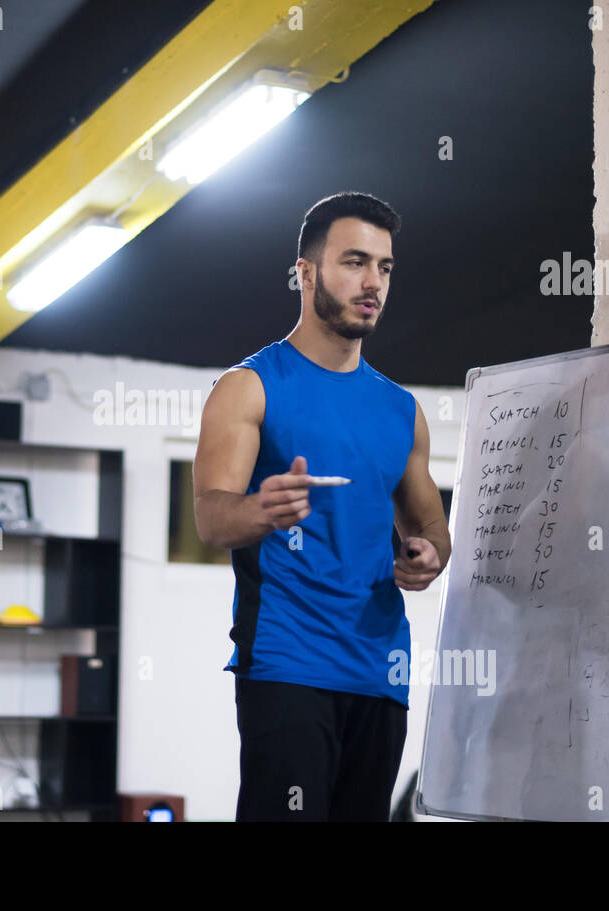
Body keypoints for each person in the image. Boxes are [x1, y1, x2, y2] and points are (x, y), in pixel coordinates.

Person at [193, 192, 452, 821]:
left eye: (385, 267)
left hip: (379, 670)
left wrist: (428, 555)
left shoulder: (401, 410)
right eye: (355, 262)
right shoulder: (249, 387)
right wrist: (263, 509)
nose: (373, 283)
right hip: (287, 663)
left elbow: (428, 526)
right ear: (306, 273)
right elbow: (209, 517)